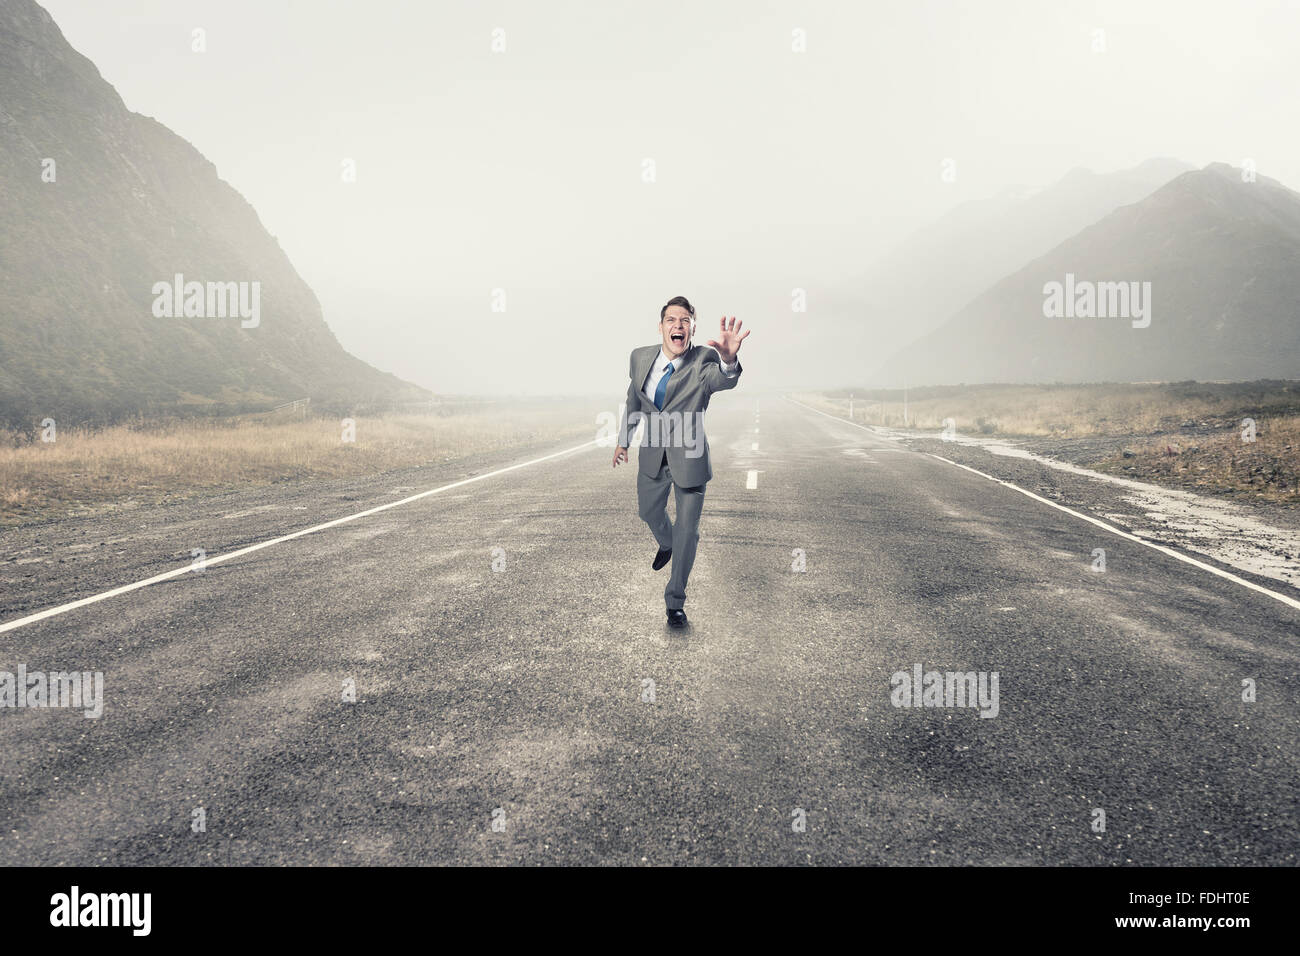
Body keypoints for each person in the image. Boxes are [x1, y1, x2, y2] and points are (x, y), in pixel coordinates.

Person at [612, 295, 750, 629]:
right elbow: (634, 400)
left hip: (689, 457)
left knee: (688, 531)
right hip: (652, 454)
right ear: (661, 327)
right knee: (648, 512)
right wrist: (623, 441)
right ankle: (666, 542)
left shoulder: (703, 360)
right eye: (672, 320)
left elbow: (722, 380)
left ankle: (675, 601)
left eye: (685, 321)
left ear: (692, 328)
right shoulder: (640, 357)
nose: (679, 326)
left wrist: (729, 361)